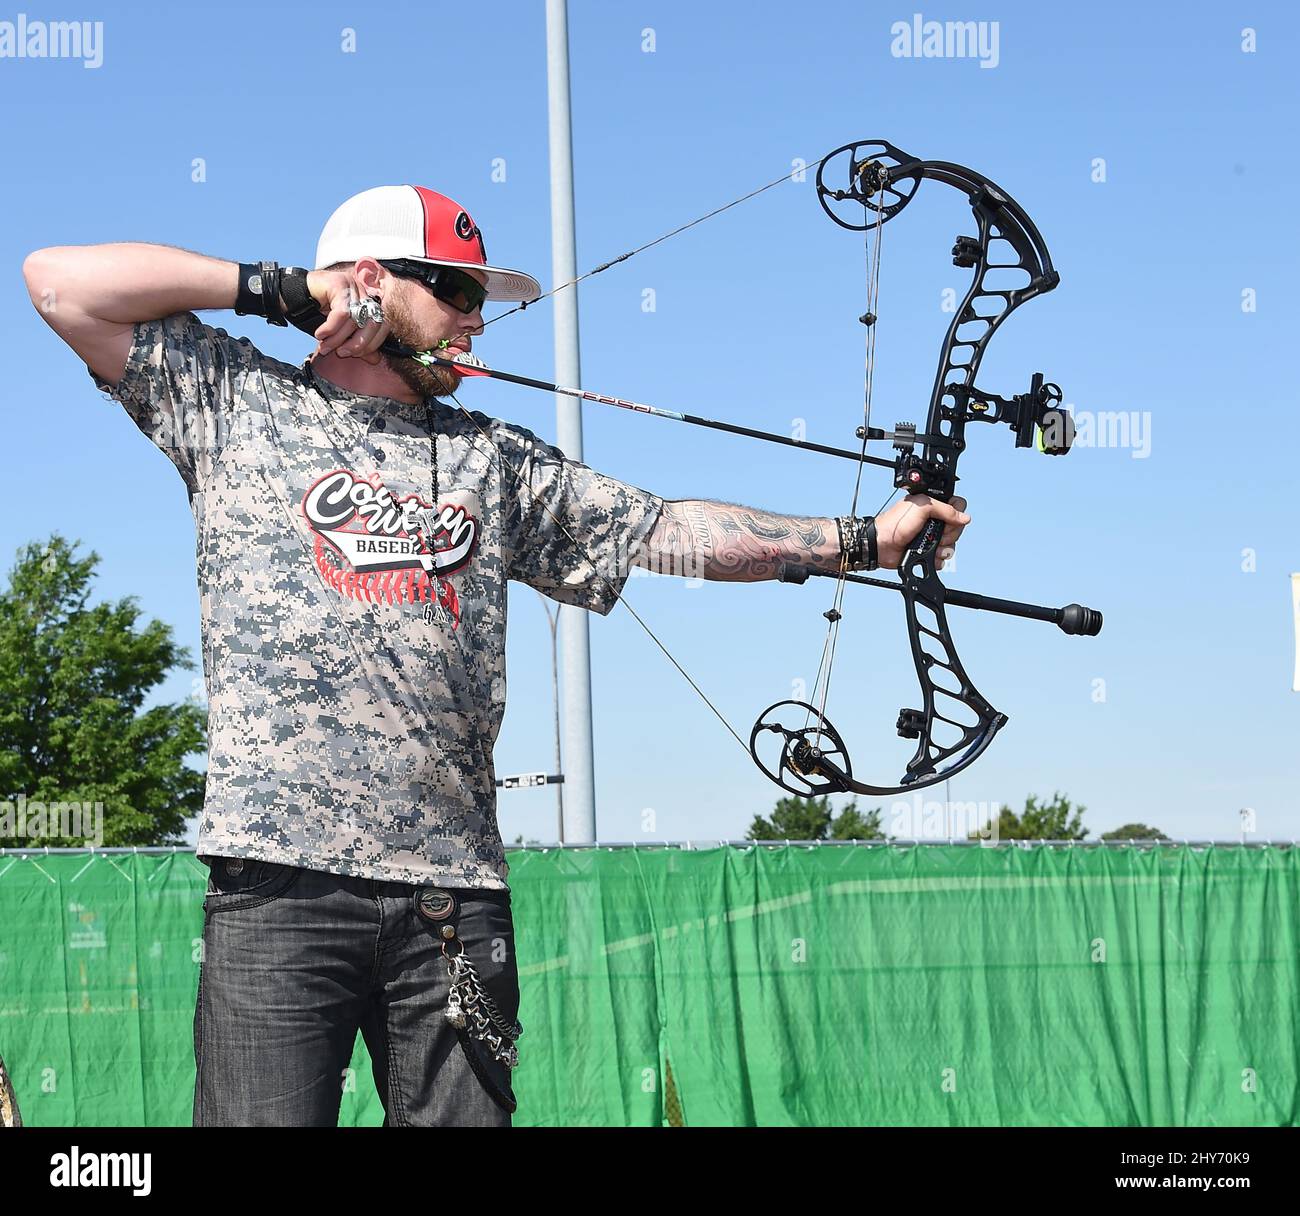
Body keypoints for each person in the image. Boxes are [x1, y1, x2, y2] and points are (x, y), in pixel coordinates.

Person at [21, 184, 969, 1127]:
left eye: (483, 301)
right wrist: (282, 290)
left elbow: (673, 533)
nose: (477, 323)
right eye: (457, 294)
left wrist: (863, 542)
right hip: (279, 887)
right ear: (369, 283)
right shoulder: (236, 405)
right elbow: (59, 284)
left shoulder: (494, 460)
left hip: (452, 899)